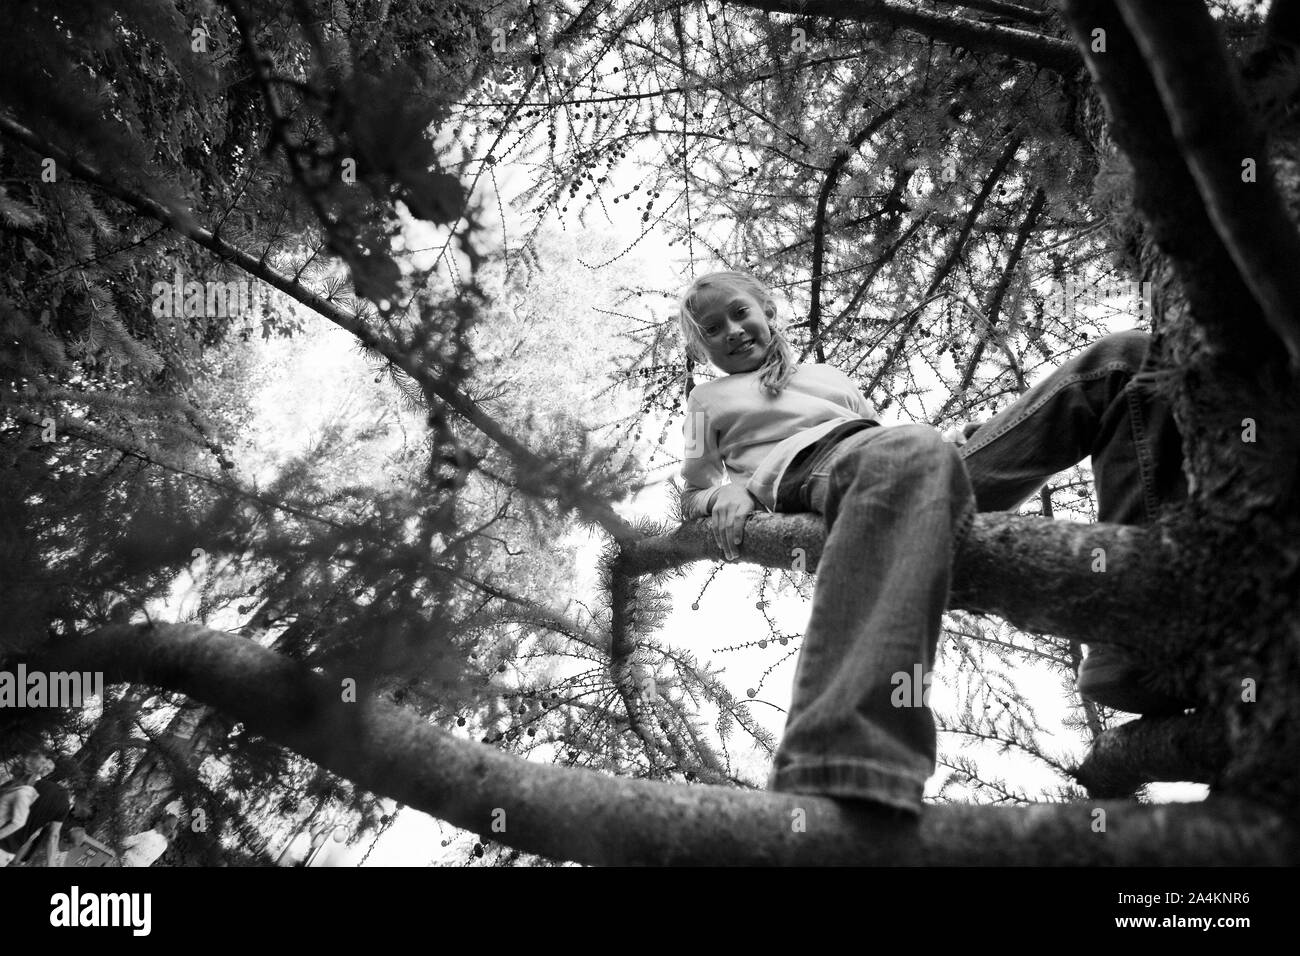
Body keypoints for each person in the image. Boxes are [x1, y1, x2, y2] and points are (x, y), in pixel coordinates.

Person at [677, 269, 1190, 817]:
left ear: (767, 310)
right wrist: (723, 496)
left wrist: (947, 446)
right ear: (701, 347)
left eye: (739, 312)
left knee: (1127, 359)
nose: (731, 330)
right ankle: (842, 756)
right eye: (711, 329)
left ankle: (1139, 640)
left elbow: (877, 435)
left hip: (905, 463)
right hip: (813, 469)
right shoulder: (705, 400)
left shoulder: (828, 377)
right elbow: (693, 485)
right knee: (906, 453)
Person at [0, 752, 57, 864]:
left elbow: (19, 822)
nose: (15, 763)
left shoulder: (24, 792)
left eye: (20, 763)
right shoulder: (17, 785)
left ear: (26, 769)